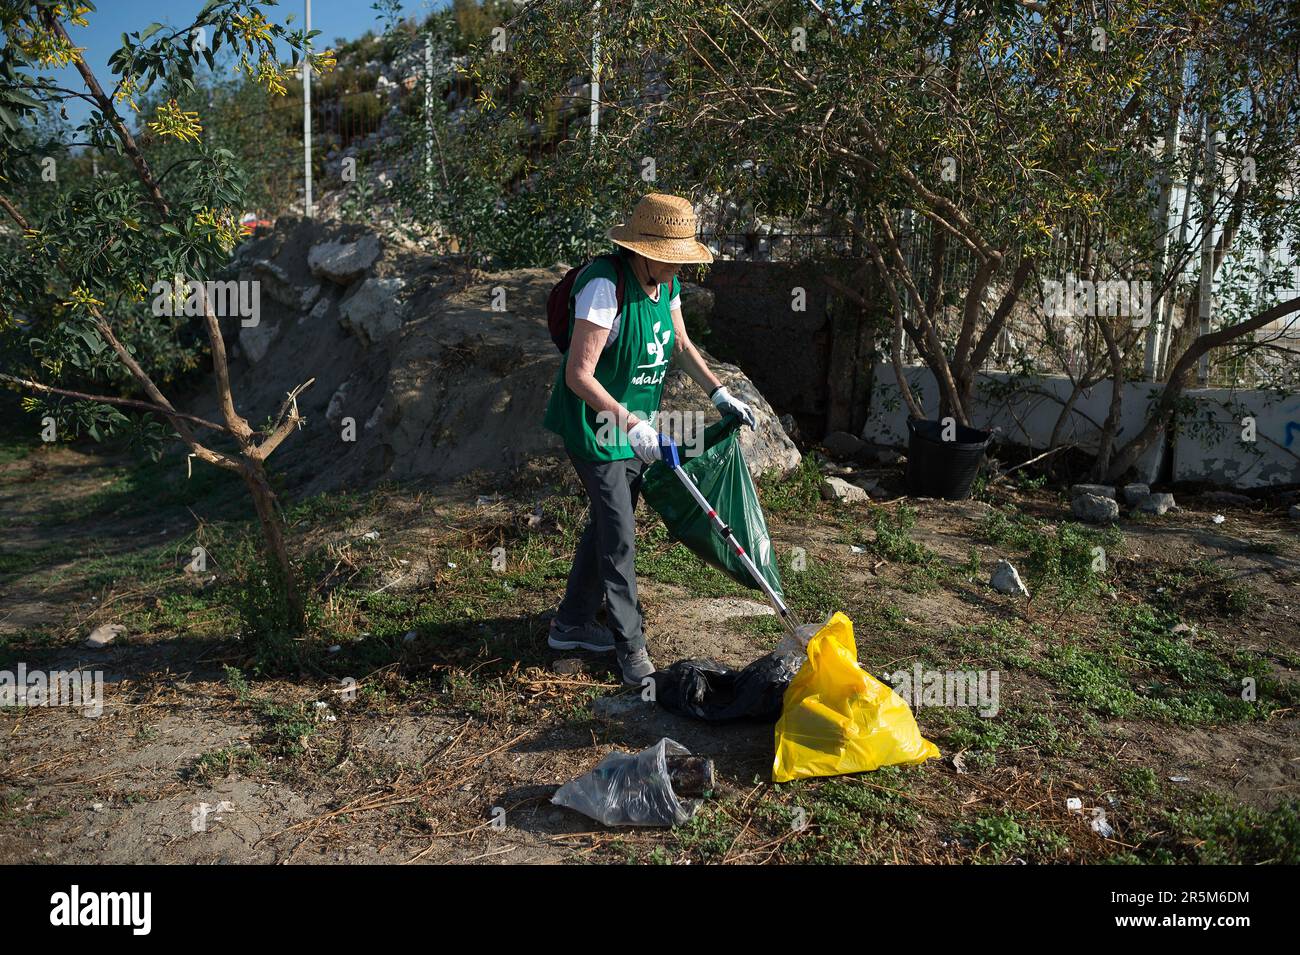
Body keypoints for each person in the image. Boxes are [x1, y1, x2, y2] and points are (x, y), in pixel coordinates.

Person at [542, 193, 757, 686]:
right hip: (595, 427)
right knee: (619, 535)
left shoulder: (665, 280)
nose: (675, 266)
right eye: (668, 256)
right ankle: (631, 648)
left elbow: (680, 344)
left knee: (607, 527)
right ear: (641, 248)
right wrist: (634, 426)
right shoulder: (603, 284)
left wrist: (719, 392)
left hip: (637, 427)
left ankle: (570, 625)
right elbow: (579, 374)